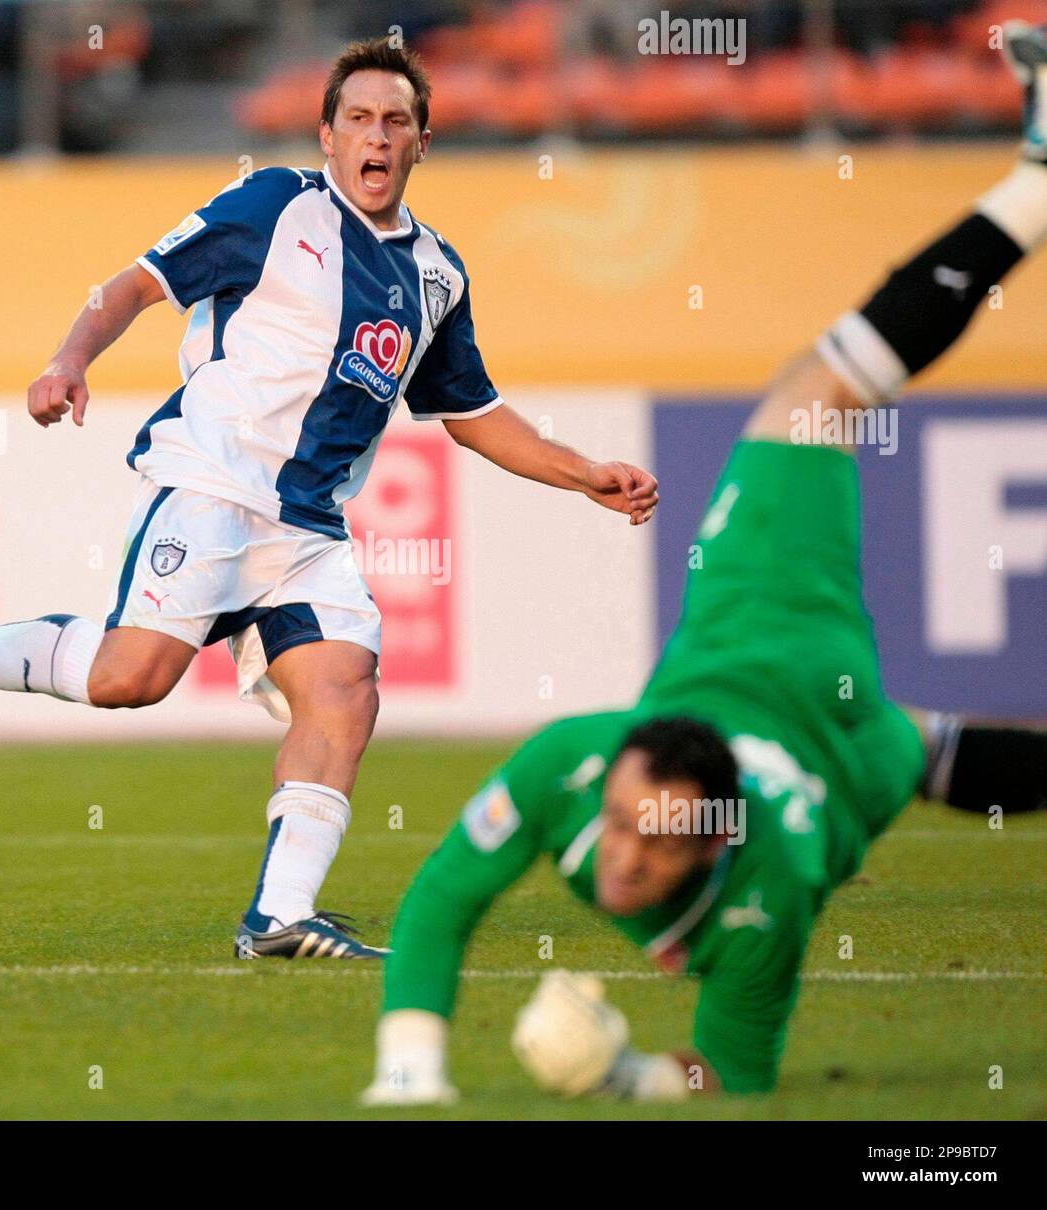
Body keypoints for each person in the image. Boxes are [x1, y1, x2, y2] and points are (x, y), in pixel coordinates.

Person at [362, 21, 1047, 1102]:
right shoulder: (581, 765)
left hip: (781, 656)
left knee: (821, 419)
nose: (622, 854)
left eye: (649, 841)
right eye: (628, 820)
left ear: (717, 841)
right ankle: (1038, 180)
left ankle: (1038, 182)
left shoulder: (760, 901)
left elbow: (720, 1071)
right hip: (816, 722)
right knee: (893, 732)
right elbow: (446, 896)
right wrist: (412, 1079)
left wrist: (623, 1072)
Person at [0, 37, 659, 960]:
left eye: (398, 122)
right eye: (360, 120)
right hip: (214, 484)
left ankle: (279, 917)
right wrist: (68, 358)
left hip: (309, 529)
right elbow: (136, 284)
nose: (378, 138)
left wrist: (587, 476)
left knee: (345, 687)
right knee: (127, 680)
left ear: (424, 144)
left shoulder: (437, 274)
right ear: (328, 136)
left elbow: (473, 412)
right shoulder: (275, 205)